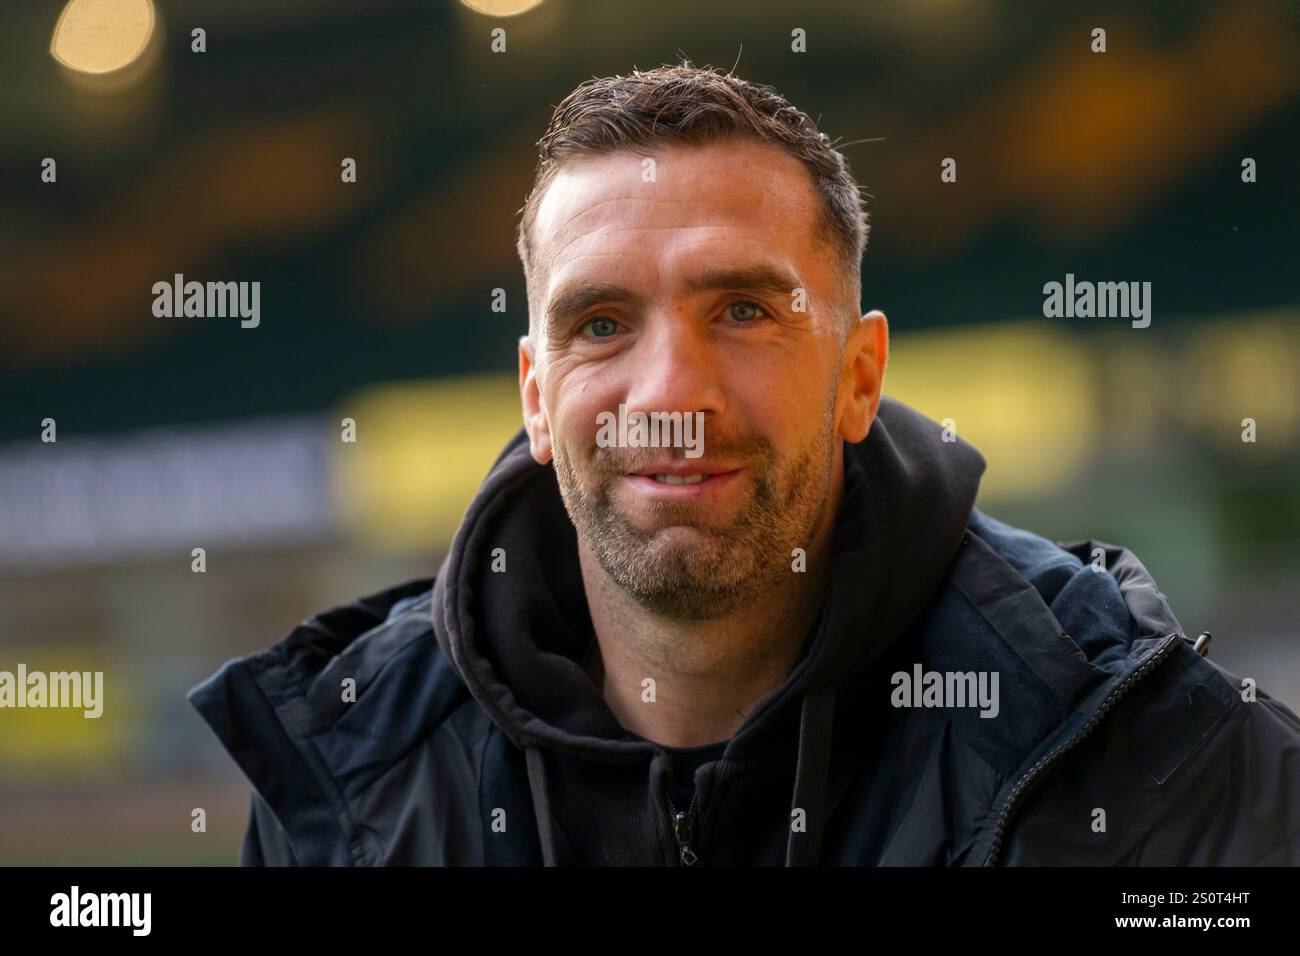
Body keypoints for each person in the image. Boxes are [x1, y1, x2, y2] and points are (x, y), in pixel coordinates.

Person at [189, 63, 1300, 866]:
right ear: (535, 395)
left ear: (860, 374)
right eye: (601, 323)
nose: (671, 394)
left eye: (740, 308)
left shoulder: (1147, 750)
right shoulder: (347, 773)